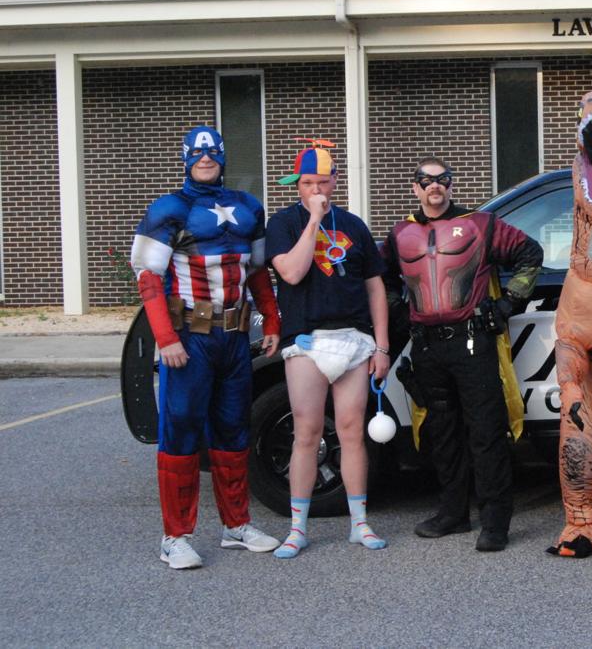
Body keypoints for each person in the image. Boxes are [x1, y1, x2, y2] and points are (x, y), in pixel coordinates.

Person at [131, 125, 282, 570]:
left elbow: (256, 272)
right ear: (185, 158)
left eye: (212, 151)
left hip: (233, 338)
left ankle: (236, 526)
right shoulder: (169, 209)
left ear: (222, 155)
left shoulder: (247, 207)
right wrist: (165, 339)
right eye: (197, 153)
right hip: (189, 340)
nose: (205, 158)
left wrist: (271, 319)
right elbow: (149, 279)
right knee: (180, 432)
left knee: (234, 430)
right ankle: (174, 536)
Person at [381, 157, 542, 552]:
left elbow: (529, 253)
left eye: (442, 180)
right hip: (426, 346)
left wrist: (507, 304)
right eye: (426, 181)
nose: (434, 186)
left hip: (473, 341)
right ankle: (453, 513)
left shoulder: (479, 225)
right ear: (415, 188)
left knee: (486, 433)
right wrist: (400, 313)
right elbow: (381, 278)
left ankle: (495, 523)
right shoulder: (400, 233)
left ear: (450, 186)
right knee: (442, 433)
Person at [264, 142, 391, 559]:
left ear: (335, 181)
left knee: (353, 432)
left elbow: (375, 286)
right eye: (307, 183)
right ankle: (297, 528)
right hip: (306, 341)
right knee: (307, 432)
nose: (315, 188)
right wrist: (314, 220)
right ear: (296, 185)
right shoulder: (282, 223)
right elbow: (292, 271)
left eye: (322, 181)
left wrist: (382, 346)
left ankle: (360, 523)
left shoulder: (354, 225)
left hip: (354, 340)